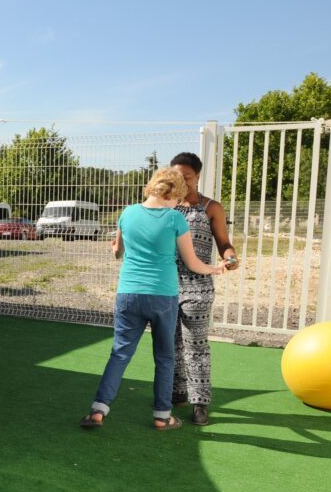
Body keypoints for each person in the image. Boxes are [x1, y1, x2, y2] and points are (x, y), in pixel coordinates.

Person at [80, 167, 225, 431]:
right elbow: (192, 263)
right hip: (162, 296)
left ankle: (98, 410)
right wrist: (214, 268)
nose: (179, 203)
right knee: (164, 357)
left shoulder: (128, 213)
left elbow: (117, 252)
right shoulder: (174, 219)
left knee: (120, 353)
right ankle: (162, 416)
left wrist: (116, 248)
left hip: (129, 294)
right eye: (178, 198)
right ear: (173, 193)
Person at [170, 152, 240, 426]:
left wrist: (230, 257)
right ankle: (176, 393)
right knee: (169, 344)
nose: (181, 182)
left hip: (198, 287)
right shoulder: (166, 206)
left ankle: (199, 403)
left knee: (195, 345)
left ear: (197, 175)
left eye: (186, 177)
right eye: (176, 177)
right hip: (166, 286)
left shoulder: (211, 207)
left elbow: (224, 243)